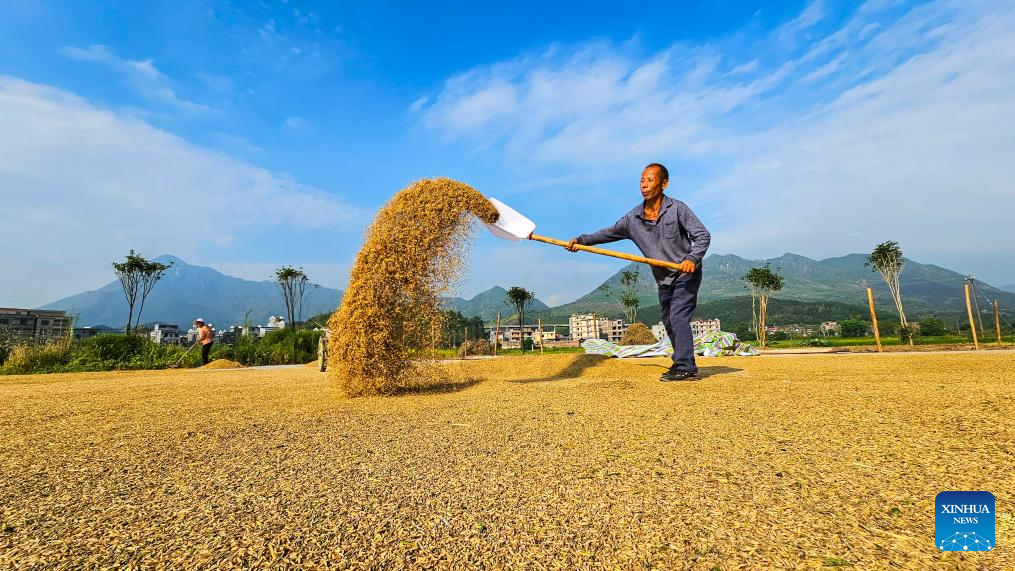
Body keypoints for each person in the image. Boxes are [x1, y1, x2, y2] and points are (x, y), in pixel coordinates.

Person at [568, 163, 710, 381]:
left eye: (650, 180)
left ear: (664, 184)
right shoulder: (633, 219)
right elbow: (609, 232)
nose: (644, 185)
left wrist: (692, 258)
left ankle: (686, 367)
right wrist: (582, 240)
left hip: (685, 273)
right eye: (642, 180)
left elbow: (702, 235)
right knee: (669, 320)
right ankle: (681, 362)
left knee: (678, 316)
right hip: (663, 278)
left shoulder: (678, 209)